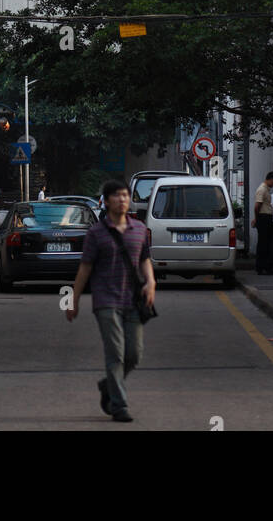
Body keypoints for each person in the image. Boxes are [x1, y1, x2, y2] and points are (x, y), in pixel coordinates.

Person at [66, 177, 155, 424]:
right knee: (115, 353)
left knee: (134, 354)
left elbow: (145, 259)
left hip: (134, 300)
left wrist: (151, 282)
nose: (122, 199)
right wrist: (73, 300)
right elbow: (85, 267)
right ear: (106, 201)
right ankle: (119, 405)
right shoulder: (96, 233)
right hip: (106, 300)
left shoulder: (139, 229)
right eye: (116, 196)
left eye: (125, 195)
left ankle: (108, 384)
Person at [251, 171, 273, 274]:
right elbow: (257, 206)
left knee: (267, 243)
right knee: (263, 243)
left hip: (266, 217)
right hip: (264, 218)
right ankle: (261, 267)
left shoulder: (266, 189)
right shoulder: (262, 189)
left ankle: (265, 266)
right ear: (270, 179)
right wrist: (257, 219)